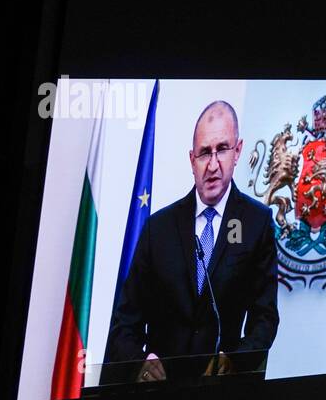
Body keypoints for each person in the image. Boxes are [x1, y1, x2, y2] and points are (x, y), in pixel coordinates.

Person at [104, 100, 279, 381]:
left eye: (222, 149)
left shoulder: (256, 223)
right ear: (191, 160)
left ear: (238, 151)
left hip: (220, 396)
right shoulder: (158, 228)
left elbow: (265, 318)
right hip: (159, 396)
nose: (212, 164)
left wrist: (235, 360)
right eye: (203, 153)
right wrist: (141, 361)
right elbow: (124, 321)